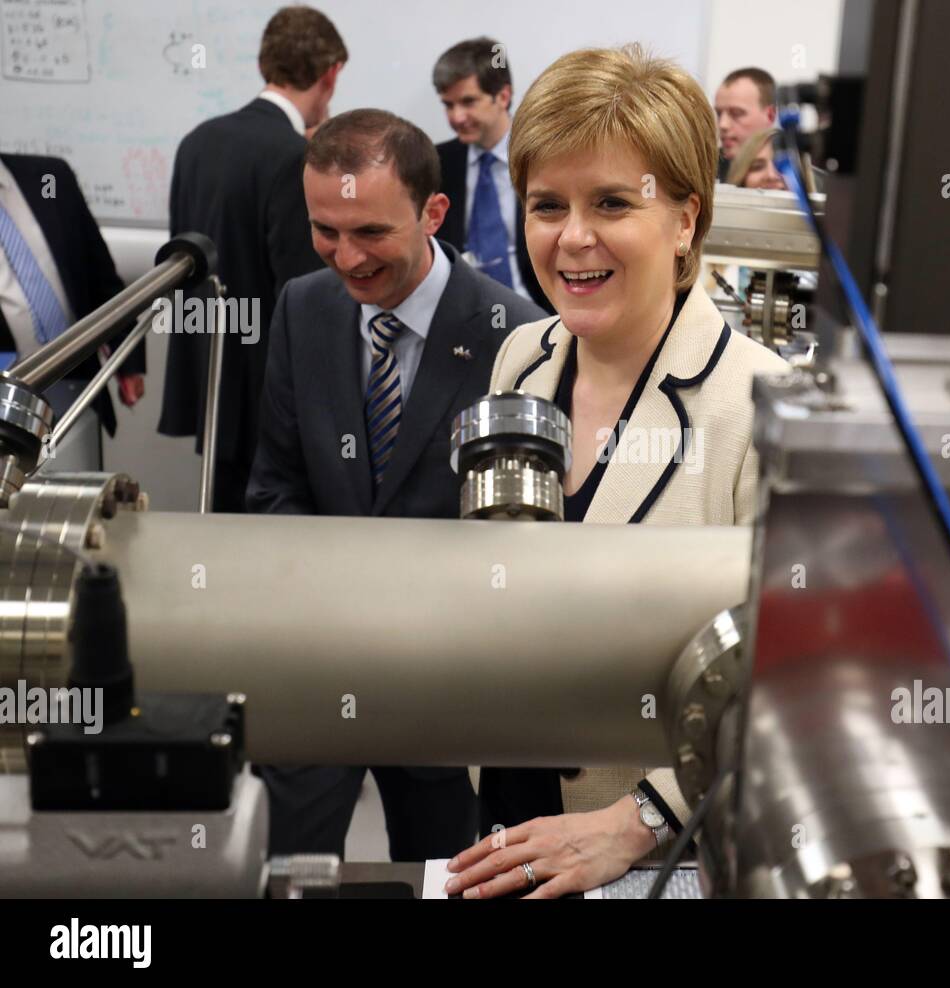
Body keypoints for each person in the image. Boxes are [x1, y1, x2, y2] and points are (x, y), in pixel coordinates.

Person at [445, 45, 790, 899]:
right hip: (514, 805)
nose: (572, 238)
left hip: (670, 848)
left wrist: (637, 820)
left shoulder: (761, 406)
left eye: (610, 203)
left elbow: (796, 675)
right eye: (546, 205)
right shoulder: (524, 358)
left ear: (684, 220)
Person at [246, 108, 544, 860]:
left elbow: (528, 546)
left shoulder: (518, 335)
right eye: (325, 230)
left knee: (443, 873)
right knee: (289, 868)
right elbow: (275, 483)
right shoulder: (301, 308)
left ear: (433, 213)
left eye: (371, 233)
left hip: (445, 687)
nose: (345, 259)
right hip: (318, 660)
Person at [161, 6, 347, 512]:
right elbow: (303, 288)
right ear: (330, 75)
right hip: (266, 388)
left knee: (221, 523)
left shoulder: (198, 141)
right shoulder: (291, 155)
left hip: (209, 364)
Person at [0, 153, 145, 470]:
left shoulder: (49, 179)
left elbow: (100, 275)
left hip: (76, 384)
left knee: (76, 494)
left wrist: (128, 359)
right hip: (8, 399)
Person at [431, 37, 551, 311]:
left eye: (468, 102)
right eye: (448, 105)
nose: (457, 117)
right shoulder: (438, 162)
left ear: (503, 96)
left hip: (539, 312)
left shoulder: (542, 157)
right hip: (463, 315)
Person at [713, 67, 777, 180]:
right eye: (719, 114)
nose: (722, 125)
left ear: (770, 116)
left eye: (736, 113)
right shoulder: (704, 172)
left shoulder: (795, 177)